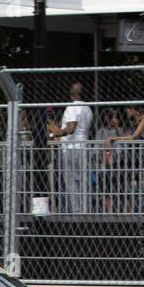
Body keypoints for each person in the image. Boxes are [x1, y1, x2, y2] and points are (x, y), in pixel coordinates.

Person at [47, 80, 93, 213]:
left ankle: (77, 210)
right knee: (83, 180)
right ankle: (86, 209)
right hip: (83, 146)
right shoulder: (88, 108)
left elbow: (71, 128)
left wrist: (56, 133)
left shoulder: (72, 107)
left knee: (71, 181)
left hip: (71, 148)